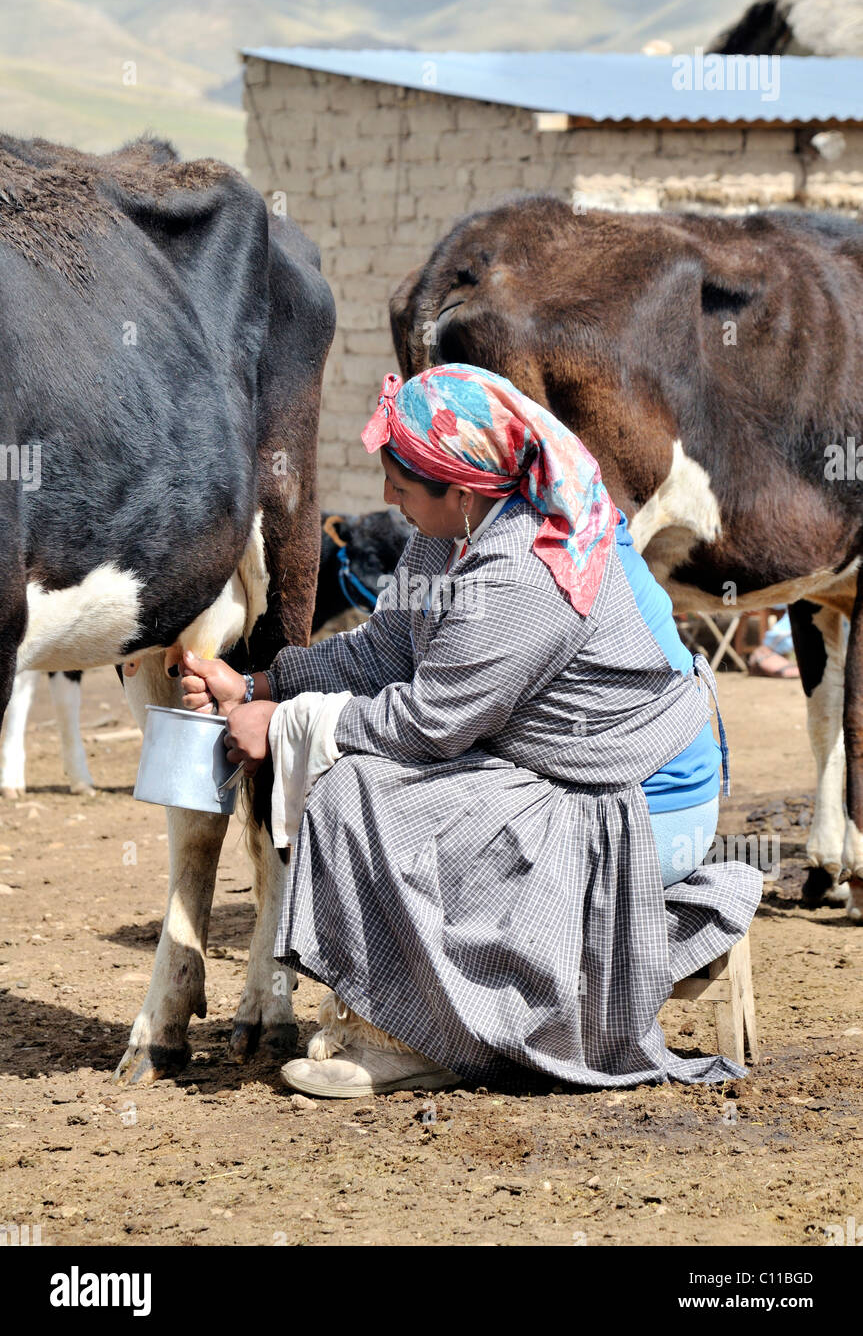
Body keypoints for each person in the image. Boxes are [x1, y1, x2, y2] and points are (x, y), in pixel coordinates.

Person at [181, 363, 761, 1099]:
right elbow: (385, 646)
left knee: (360, 790)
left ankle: (417, 1037)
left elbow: (431, 723)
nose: (388, 496)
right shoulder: (455, 531)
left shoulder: (524, 566)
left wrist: (287, 723)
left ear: (460, 487)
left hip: (637, 804)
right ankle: (413, 1013)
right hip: (561, 771)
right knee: (360, 777)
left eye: (401, 482)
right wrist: (261, 684)